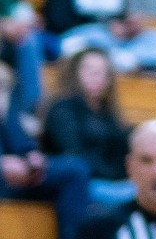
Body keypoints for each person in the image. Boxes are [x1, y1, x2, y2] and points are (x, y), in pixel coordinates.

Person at [2, 67, 90, 239]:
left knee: (75, 170)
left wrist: (31, 155)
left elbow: (19, 138)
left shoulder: (5, 96)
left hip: (16, 175)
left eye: (3, 90)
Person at [40, 49, 134, 207]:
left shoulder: (109, 113)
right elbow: (72, 151)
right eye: (89, 70)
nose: (96, 76)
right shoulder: (62, 108)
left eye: (102, 72)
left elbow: (121, 153)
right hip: (83, 182)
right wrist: (111, 177)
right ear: (75, 72)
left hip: (112, 182)